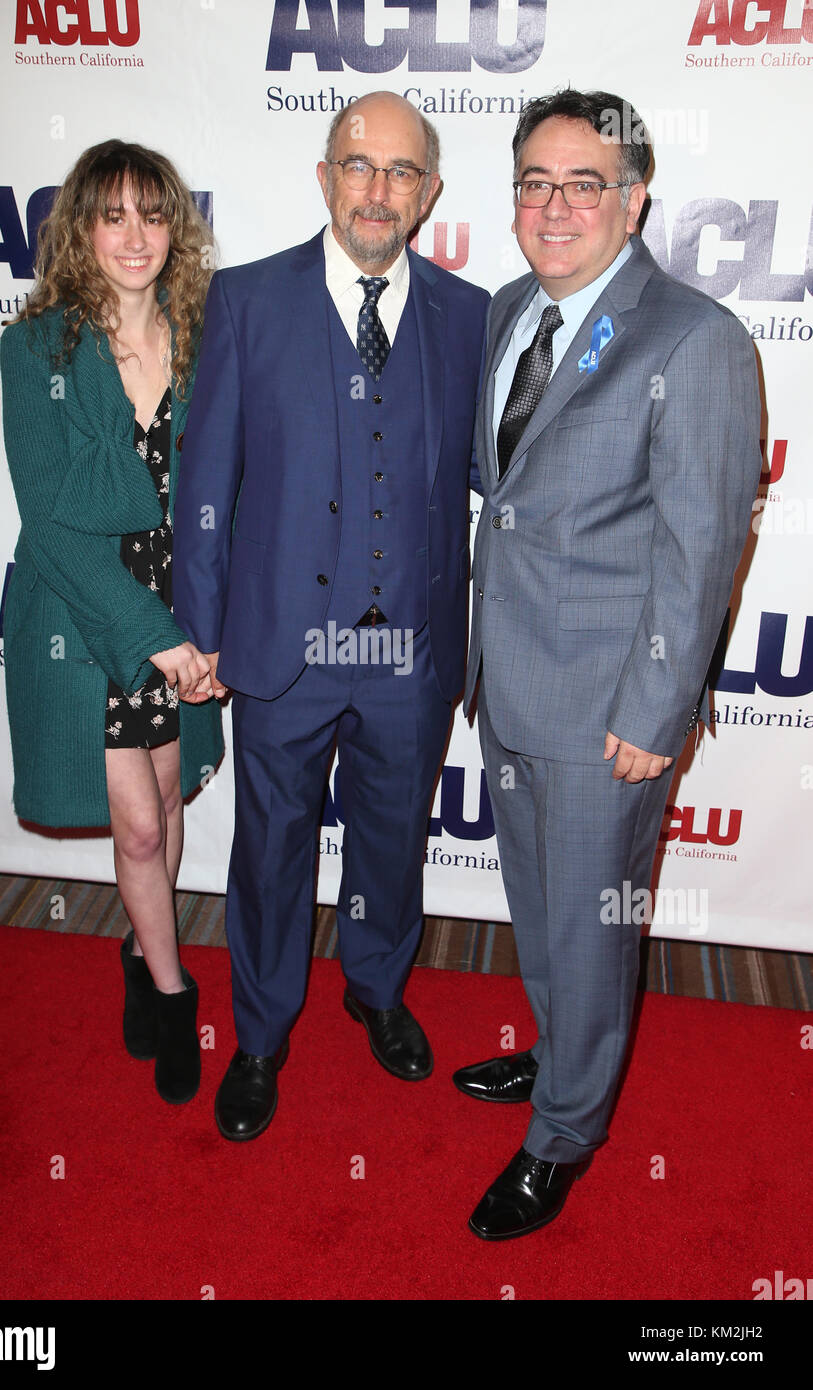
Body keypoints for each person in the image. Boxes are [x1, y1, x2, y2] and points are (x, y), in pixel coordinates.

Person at [456, 89, 761, 1238]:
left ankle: (565, 1134)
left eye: (584, 183)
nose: (554, 205)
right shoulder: (502, 312)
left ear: (635, 200)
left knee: (590, 917)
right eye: (535, 180)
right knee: (539, 906)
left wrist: (657, 704)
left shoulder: (697, 337)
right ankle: (556, 1055)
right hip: (511, 681)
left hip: (606, 706)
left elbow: (701, 546)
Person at [173, 91, 489, 1141]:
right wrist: (203, 625)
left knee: (395, 843)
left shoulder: (469, 316)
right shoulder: (248, 302)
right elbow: (206, 472)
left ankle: (377, 988)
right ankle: (259, 1034)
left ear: (429, 192)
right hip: (281, 648)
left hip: (410, 652)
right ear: (323, 176)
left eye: (402, 172)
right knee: (270, 850)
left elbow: (502, 488)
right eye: (359, 165)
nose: (378, 190)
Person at [0, 140, 223, 1106]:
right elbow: (52, 521)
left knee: (168, 807)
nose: (135, 236)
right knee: (136, 830)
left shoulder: (206, 333)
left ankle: (144, 948)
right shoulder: (38, 344)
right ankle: (172, 992)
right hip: (88, 616)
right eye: (113, 215)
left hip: (185, 601)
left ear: (175, 225)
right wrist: (158, 640)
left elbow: (228, 491)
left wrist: (213, 623)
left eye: (153, 213)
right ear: (81, 228)